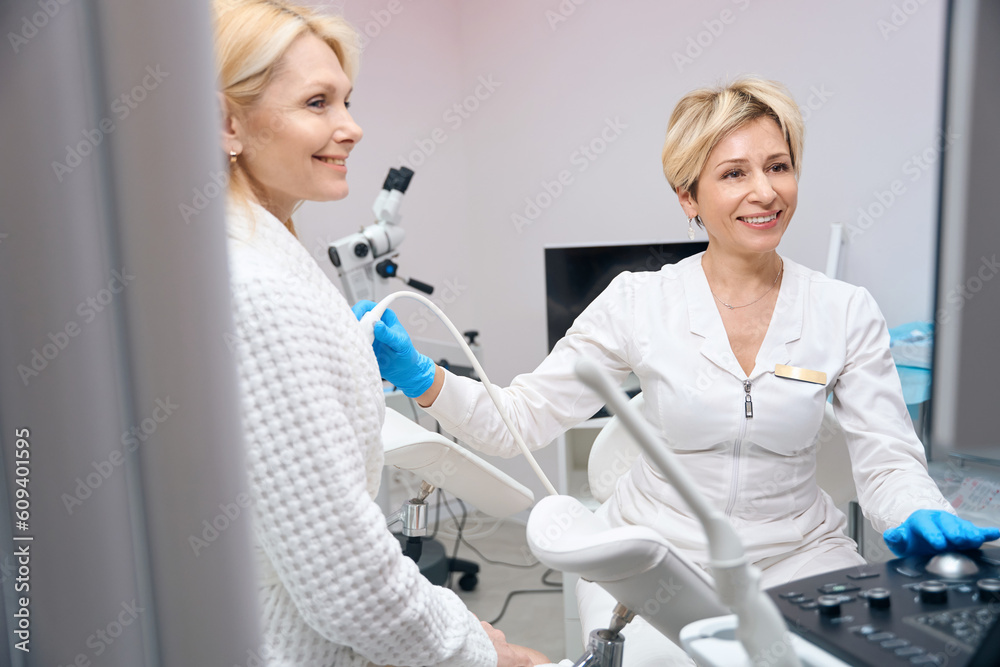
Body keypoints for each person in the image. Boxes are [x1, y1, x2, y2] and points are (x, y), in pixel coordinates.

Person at [354, 77, 1000, 664]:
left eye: (779, 166)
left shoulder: (843, 310)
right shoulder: (639, 302)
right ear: (688, 196)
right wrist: (421, 377)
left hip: (802, 559)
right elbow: (519, 420)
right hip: (658, 563)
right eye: (734, 173)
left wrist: (919, 510)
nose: (765, 191)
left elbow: (887, 462)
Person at [214, 1, 552, 665]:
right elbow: (347, 580)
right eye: (318, 102)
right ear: (227, 122)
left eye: (346, 100)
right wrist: (480, 651)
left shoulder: (257, 260)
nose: (352, 127)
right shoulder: (259, 290)